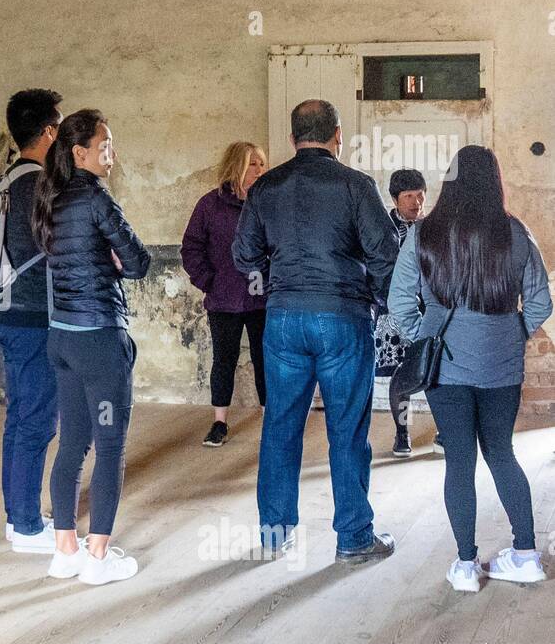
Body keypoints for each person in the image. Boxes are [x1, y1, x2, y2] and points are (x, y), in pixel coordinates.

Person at [232, 99, 400, 564]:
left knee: (280, 427)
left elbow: (243, 256)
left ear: (292, 138)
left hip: (283, 319)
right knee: (347, 430)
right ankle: (353, 538)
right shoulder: (356, 186)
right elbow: (386, 258)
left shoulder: (265, 187)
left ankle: (274, 534)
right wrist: (381, 302)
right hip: (343, 319)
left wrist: (279, 269)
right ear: (338, 135)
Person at [388, 145, 552, 593]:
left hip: (447, 367)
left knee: (459, 461)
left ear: (449, 181)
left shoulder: (425, 235)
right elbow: (541, 302)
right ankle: (525, 554)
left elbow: (399, 301)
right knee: (501, 453)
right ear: (494, 181)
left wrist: (428, 329)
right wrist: (511, 331)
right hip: (503, 369)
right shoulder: (515, 232)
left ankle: (465, 565)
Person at [32, 109, 151, 585]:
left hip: (61, 337)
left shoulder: (50, 196)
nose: (112, 154)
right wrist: (116, 264)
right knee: (110, 447)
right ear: (80, 152)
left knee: (71, 446)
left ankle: (65, 551)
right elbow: (139, 262)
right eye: (106, 145)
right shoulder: (97, 198)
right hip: (101, 337)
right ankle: (99, 558)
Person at [0, 89, 63, 554]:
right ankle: (26, 525)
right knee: (37, 419)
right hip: (34, 315)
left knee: (20, 416)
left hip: (5, 311)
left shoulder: (7, 178)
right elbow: (51, 250)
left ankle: (18, 514)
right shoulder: (38, 183)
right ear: (51, 132)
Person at [181, 141, 268, 447]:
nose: (259, 169)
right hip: (224, 299)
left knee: (265, 360)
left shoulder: (268, 202)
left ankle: (269, 418)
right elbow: (191, 248)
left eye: (261, 163)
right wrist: (209, 281)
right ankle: (219, 423)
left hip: (264, 298)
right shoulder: (210, 205)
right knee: (224, 361)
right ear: (236, 167)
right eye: (252, 164)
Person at [373, 169, 427, 457]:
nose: (416, 202)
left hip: (427, 308)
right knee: (400, 375)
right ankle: (402, 432)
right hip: (392, 310)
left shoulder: (432, 227)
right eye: (409, 196)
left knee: (434, 370)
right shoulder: (382, 227)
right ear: (395, 199)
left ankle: (444, 430)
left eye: (420, 195)